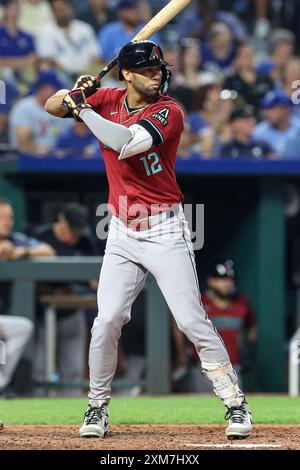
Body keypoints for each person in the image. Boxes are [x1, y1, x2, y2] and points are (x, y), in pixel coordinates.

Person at [45, 39, 253, 440]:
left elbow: (123, 143)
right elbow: (51, 106)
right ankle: (96, 407)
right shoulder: (107, 96)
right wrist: (74, 93)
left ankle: (234, 403)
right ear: (127, 74)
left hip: (165, 227)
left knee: (192, 319)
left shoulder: (169, 110)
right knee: (106, 321)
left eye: (159, 69)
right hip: (121, 228)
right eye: (148, 70)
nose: (158, 75)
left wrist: (83, 107)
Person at [33, 203, 96, 395]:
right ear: (61, 221)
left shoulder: (85, 241)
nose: (76, 236)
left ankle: (70, 416)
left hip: (72, 310)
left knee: (74, 370)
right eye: (72, 230)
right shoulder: (41, 237)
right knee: (40, 368)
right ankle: (35, 413)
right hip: (43, 313)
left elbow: (94, 280)